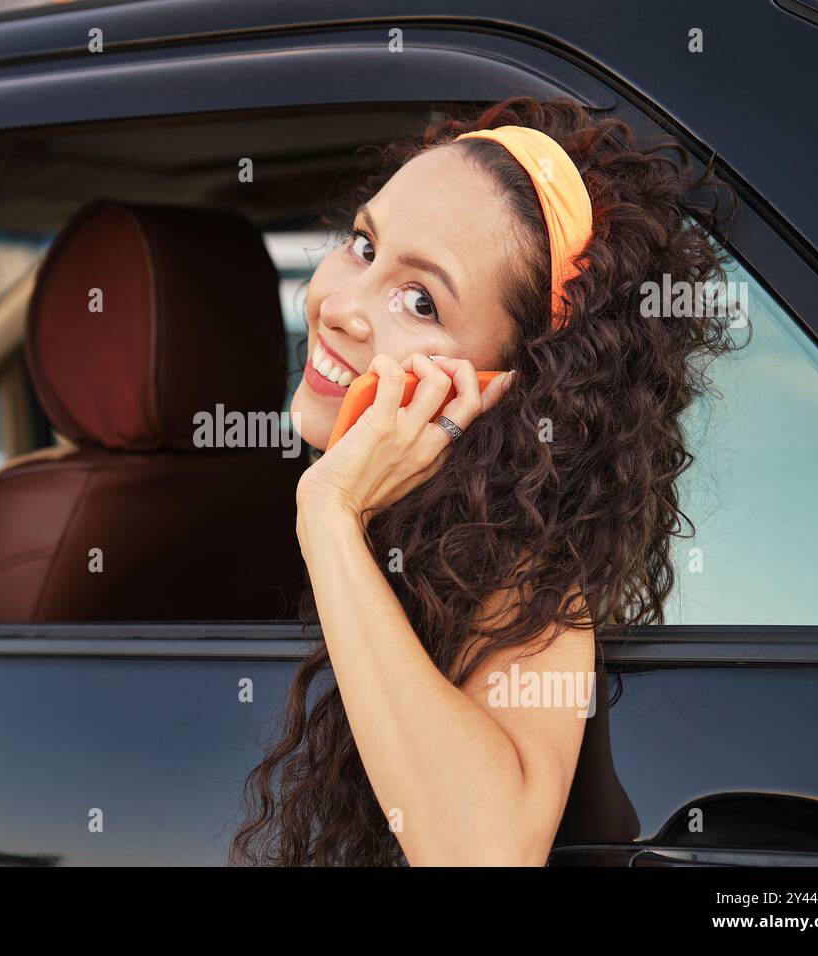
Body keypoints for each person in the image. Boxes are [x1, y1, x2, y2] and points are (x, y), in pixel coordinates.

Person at [231, 96, 741, 866]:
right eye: (364, 246)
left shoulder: (530, 580)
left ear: (515, 384)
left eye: (421, 300)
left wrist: (327, 515)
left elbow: (483, 854)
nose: (339, 307)